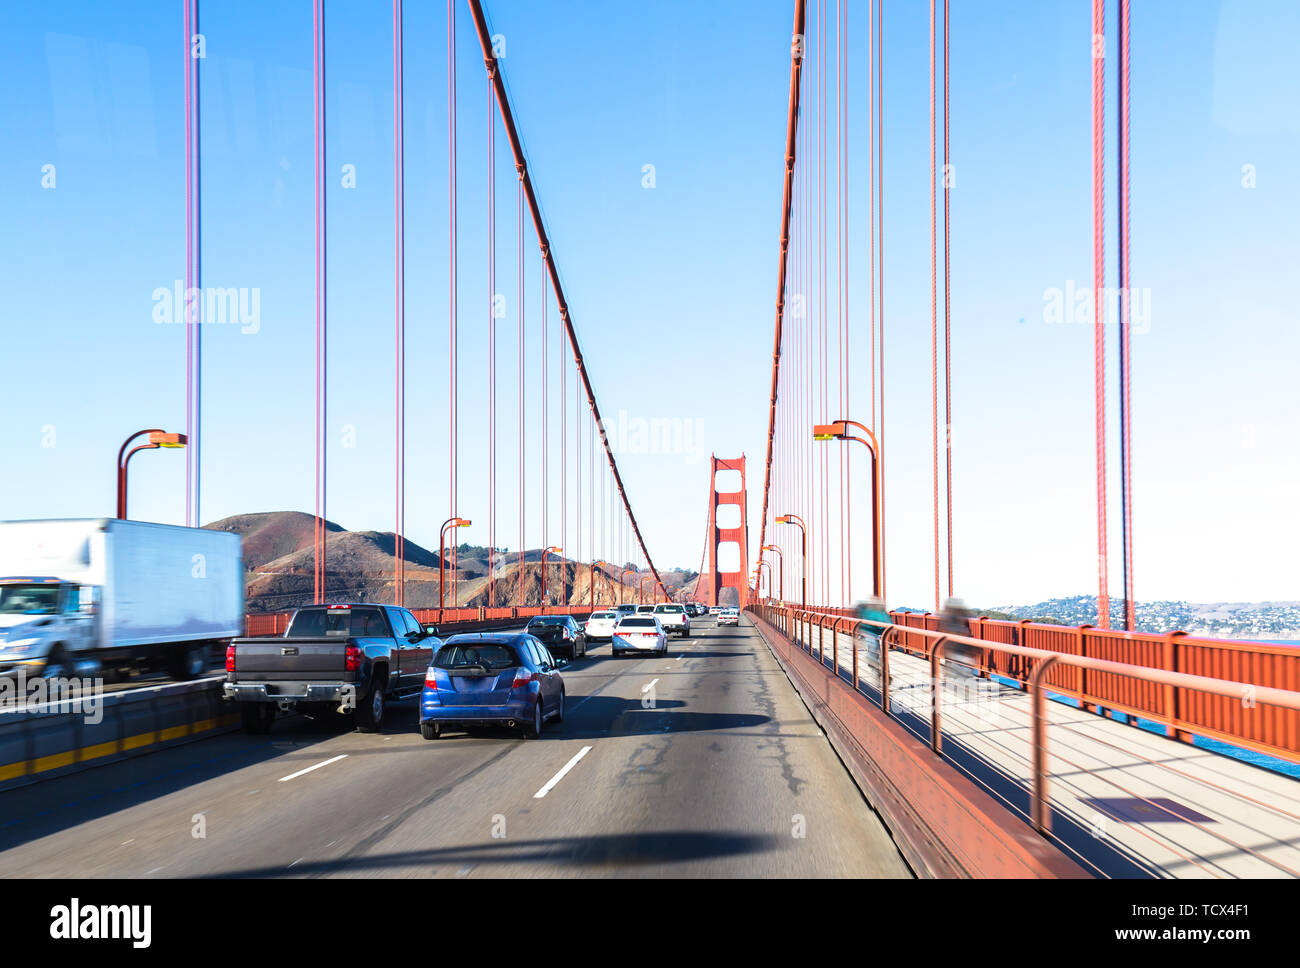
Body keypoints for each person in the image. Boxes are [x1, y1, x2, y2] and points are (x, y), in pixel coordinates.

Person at [936, 597, 980, 679]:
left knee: (955, 665)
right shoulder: (959, 617)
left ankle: (952, 677)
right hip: (958, 648)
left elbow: (939, 631)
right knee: (964, 666)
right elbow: (967, 631)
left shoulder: (945, 617)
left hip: (952, 648)